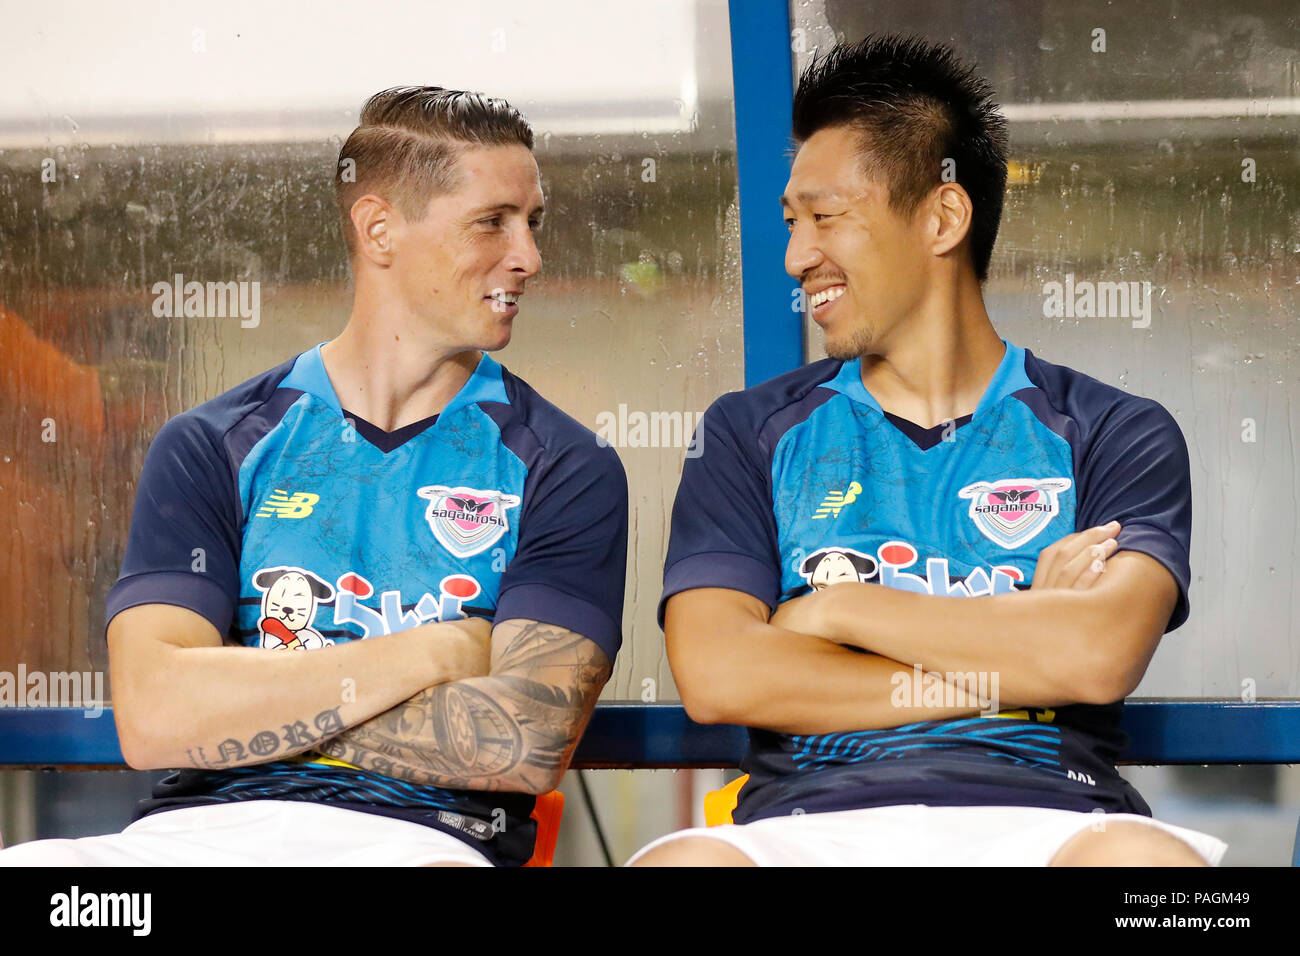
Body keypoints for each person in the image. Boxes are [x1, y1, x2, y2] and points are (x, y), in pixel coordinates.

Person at [628, 36, 1226, 867]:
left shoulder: (1114, 429)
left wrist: (835, 613)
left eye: (826, 217)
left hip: (1057, 820)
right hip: (806, 826)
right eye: (792, 223)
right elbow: (721, 675)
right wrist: (1015, 642)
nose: (799, 256)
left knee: (1168, 883)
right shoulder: (745, 431)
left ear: (942, 217)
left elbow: (1093, 656)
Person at [0, 87, 628, 867]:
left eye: (533, 223)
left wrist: (240, 707)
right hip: (194, 837)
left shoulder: (566, 466)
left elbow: (521, 741)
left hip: (423, 843)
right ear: (379, 229)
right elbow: (153, 716)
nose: (528, 256)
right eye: (492, 221)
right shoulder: (212, 443)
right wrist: (435, 654)